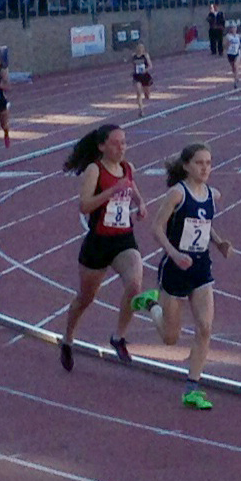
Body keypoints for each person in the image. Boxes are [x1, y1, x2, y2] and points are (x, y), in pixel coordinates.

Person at [131, 144, 233, 410]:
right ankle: (151, 304)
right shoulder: (177, 194)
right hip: (175, 270)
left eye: (208, 163)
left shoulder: (211, 195)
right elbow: (156, 228)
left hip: (200, 269)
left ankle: (192, 388)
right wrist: (174, 254)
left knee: (205, 327)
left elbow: (204, 226)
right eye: (199, 163)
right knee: (170, 338)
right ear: (187, 166)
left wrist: (219, 243)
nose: (205, 168)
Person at [59, 124, 147, 372]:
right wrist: (111, 191)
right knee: (85, 298)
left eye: (124, 142)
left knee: (135, 285)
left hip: (124, 239)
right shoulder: (94, 170)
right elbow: (84, 206)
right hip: (98, 242)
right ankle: (67, 339)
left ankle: (118, 337)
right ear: (102, 146)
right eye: (116, 143)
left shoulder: (127, 168)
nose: (121, 148)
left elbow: (132, 189)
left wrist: (141, 204)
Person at [131, 42, 153, 117]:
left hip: (145, 76)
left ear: (143, 49)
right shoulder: (134, 56)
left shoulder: (145, 56)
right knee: (138, 92)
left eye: (141, 48)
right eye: (139, 47)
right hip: (137, 76)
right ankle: (141, 110)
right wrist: (134, 71)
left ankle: (147, 94)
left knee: (147, 95)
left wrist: (145, 70)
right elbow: (134, 65)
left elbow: (150, 66)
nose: (140, 49)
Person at [224, 24, 241, 89]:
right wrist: (227, 45)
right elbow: (224, 45)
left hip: (237, 53)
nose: (234, 29)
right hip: (230, 53)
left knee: (236, 66)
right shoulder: (228, 36)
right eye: (232, 28)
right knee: (233, 67)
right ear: (230, 29)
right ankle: (236, 76)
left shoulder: (238, 36)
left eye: (235, 28)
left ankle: (235, 81)